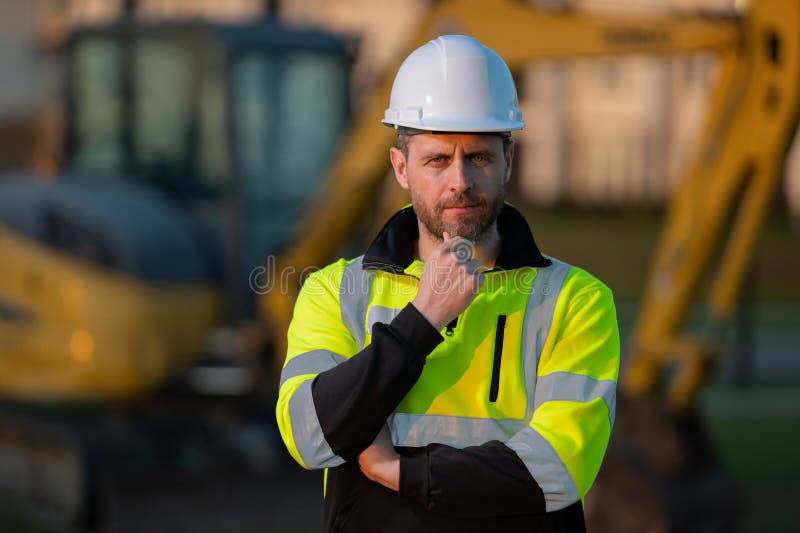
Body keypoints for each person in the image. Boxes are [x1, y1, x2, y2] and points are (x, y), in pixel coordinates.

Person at [276, 35, 619, 532]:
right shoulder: (335, 292)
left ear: (508, 161)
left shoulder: (576, 301)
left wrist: (402, 472)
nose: (459, 180)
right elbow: (310, 438)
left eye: (478, 157)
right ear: (401, 168)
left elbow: (559, 470)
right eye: (437, 160)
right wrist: (421, 321)